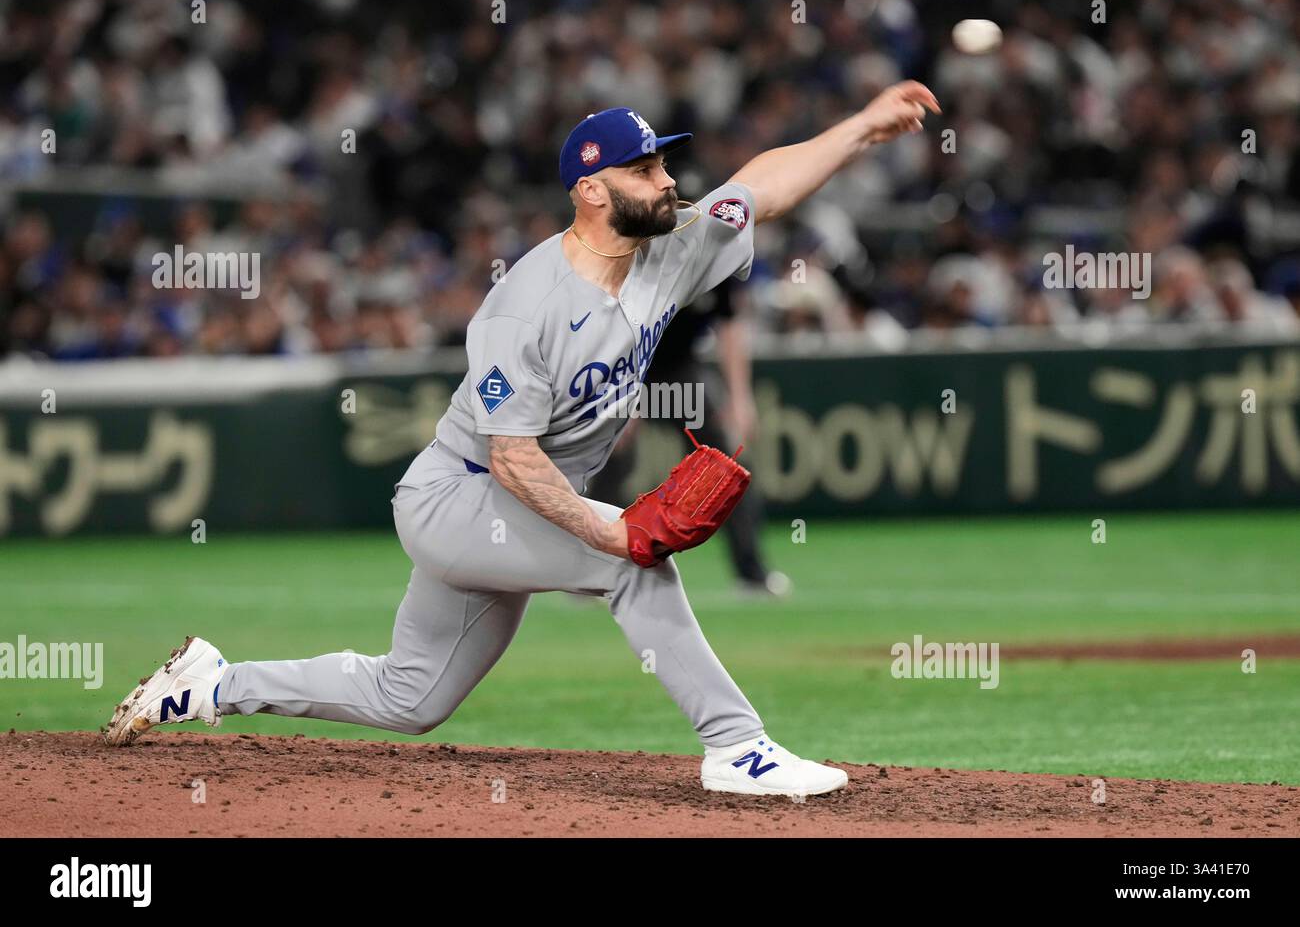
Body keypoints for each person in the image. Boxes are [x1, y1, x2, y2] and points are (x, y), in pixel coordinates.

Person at [103, 82, 941, 796]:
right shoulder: (522, 307)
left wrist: (863, 126)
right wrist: (607, 529)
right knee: (631, 560)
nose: (667, 179)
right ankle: (738, 747)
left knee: (411, 698)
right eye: (645, 168)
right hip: (459, 494)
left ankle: (213, 682)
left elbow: (761, 185)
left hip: (513, 500)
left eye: (663, 162)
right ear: (591, 190)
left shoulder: (673, 249)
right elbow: (512, 456)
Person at [585, 273, 792, 596]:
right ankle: (586, 575)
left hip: (681, 372)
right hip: (630, 365)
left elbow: (730, 327)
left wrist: (740, 398)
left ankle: (751, 574)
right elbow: (621, 322)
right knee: (611, 465)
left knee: (725, 469)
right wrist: (625, 394)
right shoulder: (659, 256)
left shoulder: (723, 266)